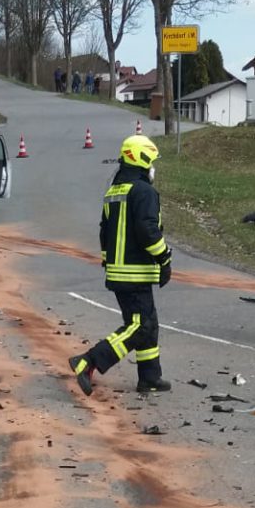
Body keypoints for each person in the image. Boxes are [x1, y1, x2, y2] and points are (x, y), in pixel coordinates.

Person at [70, 134, 172, 397]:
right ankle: (89, 360)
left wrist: (109, 258)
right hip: (135, 272)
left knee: (147, 323)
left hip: (119, 270)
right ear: (141, 159)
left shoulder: (115, 191)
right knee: (140, 326)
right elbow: (148, 230)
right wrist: (164, 258)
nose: (153, 168)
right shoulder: (144, 191)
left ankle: (150, 377)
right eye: (151, 161)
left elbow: (104, 232)